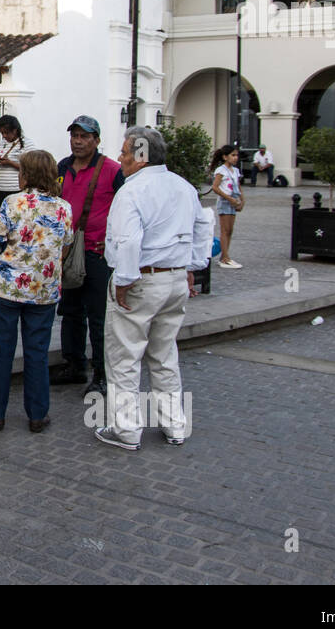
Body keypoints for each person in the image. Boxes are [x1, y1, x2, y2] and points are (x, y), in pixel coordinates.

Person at [95, 126, 213, 451]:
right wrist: (191, 265)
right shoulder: (183, 186)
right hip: (174, 278)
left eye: (124, 152)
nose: (120, 158)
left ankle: (126, 430)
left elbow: (129, 240)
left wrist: (123, 280)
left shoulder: (132, 191)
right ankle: (175, 425)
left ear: (141, 156)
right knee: (164, 353)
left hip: (142, 279)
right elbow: (203, 225)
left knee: (124, 356)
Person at [0, 150, 73, 433]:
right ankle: (37, 415)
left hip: (6, 289)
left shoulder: (12, 202)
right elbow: (64, 247)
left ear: (26, 174)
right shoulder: (64, 207)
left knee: (2, 350)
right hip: (43, 291)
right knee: (37, 352)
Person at [51, 116, 126, 396]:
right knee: (70, 312)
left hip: (97, 253)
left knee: (99, 316)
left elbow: (126, 208)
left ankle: (103, 374)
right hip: (68, 251)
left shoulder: (112, 170)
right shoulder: (62, 167)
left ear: (97, 140)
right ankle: (74, 364)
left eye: (84, 136)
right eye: (75, 136)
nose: (78, 141)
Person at [210, 144, 244, 268]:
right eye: (233, 155)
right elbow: (215, 187)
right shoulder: (221, 170)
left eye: (236, 155)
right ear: (225, 157)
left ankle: (225, 255)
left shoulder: (235, 171)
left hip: (233, 201)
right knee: (225, 230)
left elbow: (238, 186)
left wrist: (242, 200)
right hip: (225, 202)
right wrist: (229, 198)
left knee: (230, 230)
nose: (235, 158)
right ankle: (225, 257)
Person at [0, 114, 34, 210]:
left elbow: (32, 168)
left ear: (15, 130)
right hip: (0, 188)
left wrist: (10, 163)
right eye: (2, 133)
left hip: (16, 189)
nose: (4, 136)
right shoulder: (1, 144)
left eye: (6, 133)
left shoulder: (27, 144)